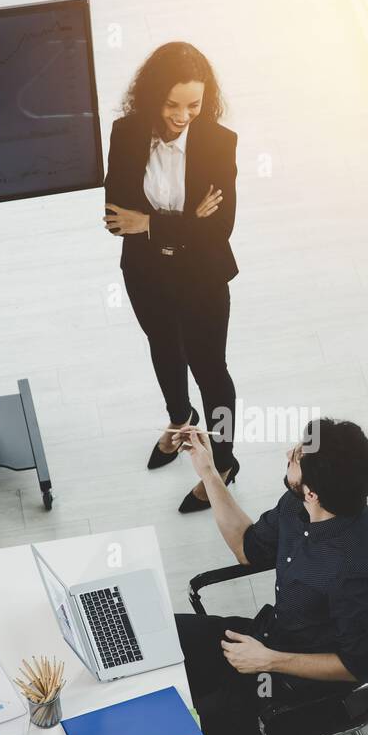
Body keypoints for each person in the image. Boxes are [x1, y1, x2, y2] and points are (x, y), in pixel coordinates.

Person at [173, 418, 368, 735]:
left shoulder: (359, 566)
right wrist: (208, 472)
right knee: (160, 643)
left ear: (312, 491)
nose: (287, 455)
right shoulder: (299, 505)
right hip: (265, 640)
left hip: (293, 688)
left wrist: (268, 660)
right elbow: (249, 548)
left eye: (295, 456)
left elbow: (357, 666)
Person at [103, 42, 240, 513]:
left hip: (202, 278)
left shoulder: (220, 143)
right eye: (172, 104)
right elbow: (116, 215)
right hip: (144, 273)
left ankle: (223, 461)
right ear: (152, 97)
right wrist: (185, 222)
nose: (183, 116)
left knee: (210, 369)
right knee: (162, 347)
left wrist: (153, 224)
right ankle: (181, 421)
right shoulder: (126, 132)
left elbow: (220, 229)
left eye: (195, 105)